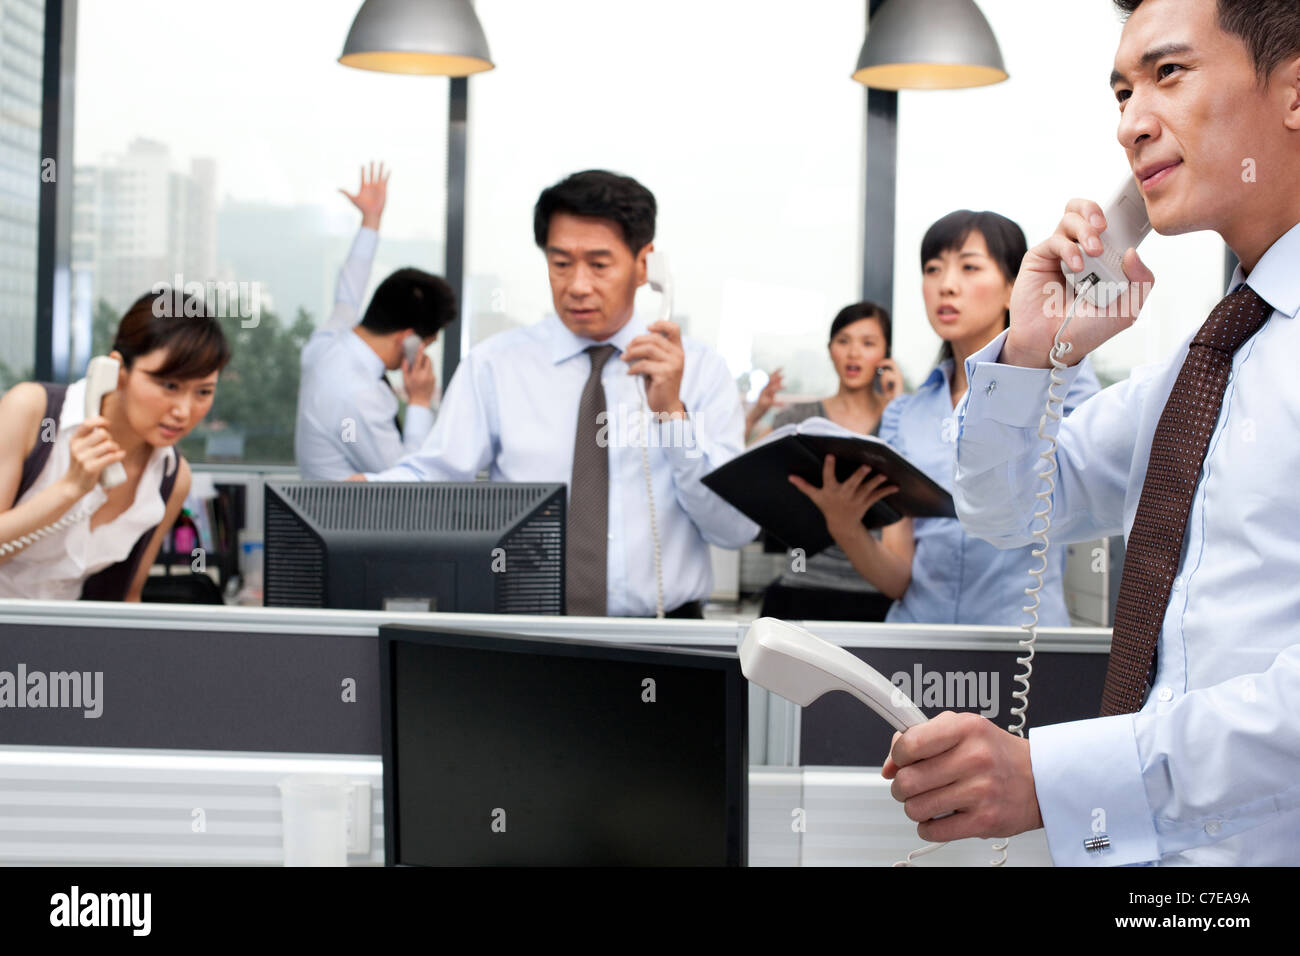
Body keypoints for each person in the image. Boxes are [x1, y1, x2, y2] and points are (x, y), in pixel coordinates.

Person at [883, 0, 1300, 866]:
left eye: (1169, 73)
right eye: (1120, 92)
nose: (1130, 124)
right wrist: (1037, 352)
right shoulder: (1207, 363)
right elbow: (1005, 509)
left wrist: (1057, 777)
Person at [360, 169, 759, 617]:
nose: (578, 286)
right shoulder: (494, 366)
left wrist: (672, 415)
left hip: (668, 636)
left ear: (645, 265)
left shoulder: (701, 371)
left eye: (599, 264)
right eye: (561, 263)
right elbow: (437, 475)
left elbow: (734, 529)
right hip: (529, 634)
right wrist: (365, 492)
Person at [790, 211, 1100, 626]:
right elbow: (900, 578)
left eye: (969, 267)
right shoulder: (904, 414)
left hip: (1021, 648)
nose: (946, 285)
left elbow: (1091, 487)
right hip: (918, 648)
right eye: (933, 269)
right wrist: (845, 526)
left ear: (1014, 288)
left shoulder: (1059, 383)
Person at [0, 288, 230, 601]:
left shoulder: (171, 478)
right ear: (118, 371)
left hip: (61, 641)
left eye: (203, 392)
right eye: (170, 385)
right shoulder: (32, 412)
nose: (184, 412)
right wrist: (69, 490)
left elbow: (127, 596)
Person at [295, 162, 457, 480]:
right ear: (408, 339)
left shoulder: (330, 342)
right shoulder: (358, 397)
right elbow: (409, 482)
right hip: (347, 525)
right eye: (427, 343)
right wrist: (420, 402)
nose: (425, 353)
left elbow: (349, 291)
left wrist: (371, 220)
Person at [758, 301, 904, 622]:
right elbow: (742, 473)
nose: (854, 353)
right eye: (843, 341)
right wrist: (756, 412)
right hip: (802, 586)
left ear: (885, 354)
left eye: (867, 343)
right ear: (829, 349)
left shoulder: (901, 419)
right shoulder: (797, 419)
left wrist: (898, 409)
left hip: (875, 592)